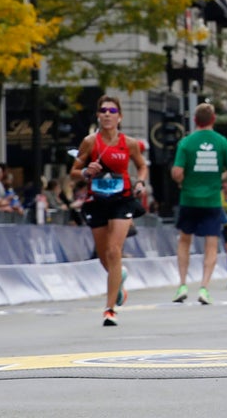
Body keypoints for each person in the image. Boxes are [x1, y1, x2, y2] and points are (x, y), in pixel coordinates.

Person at [68, 95, 147, 326]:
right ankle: (118, 279)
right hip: (97, 200)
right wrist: (85, 172)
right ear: (98, 115)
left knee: (114, 250)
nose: (107, 114)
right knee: (104, 255)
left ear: (119, 116)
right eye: (103, 110)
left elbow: (142, 165)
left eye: (112, 111)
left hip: (122, 200)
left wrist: (140, 182)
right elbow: (74, 171)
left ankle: (109, 309)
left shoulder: (129, 143)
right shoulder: (90, 142)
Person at [171, 102, 227, 305]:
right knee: (211, 243)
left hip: (189, 199)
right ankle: (204, 287)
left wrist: (183, 181)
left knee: (184, 240)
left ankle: (182, 284)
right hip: (211, 201)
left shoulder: (186, 142)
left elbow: (177, 172)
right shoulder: (221, 142)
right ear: (213, 120)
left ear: (194, 120)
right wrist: (220, 178)